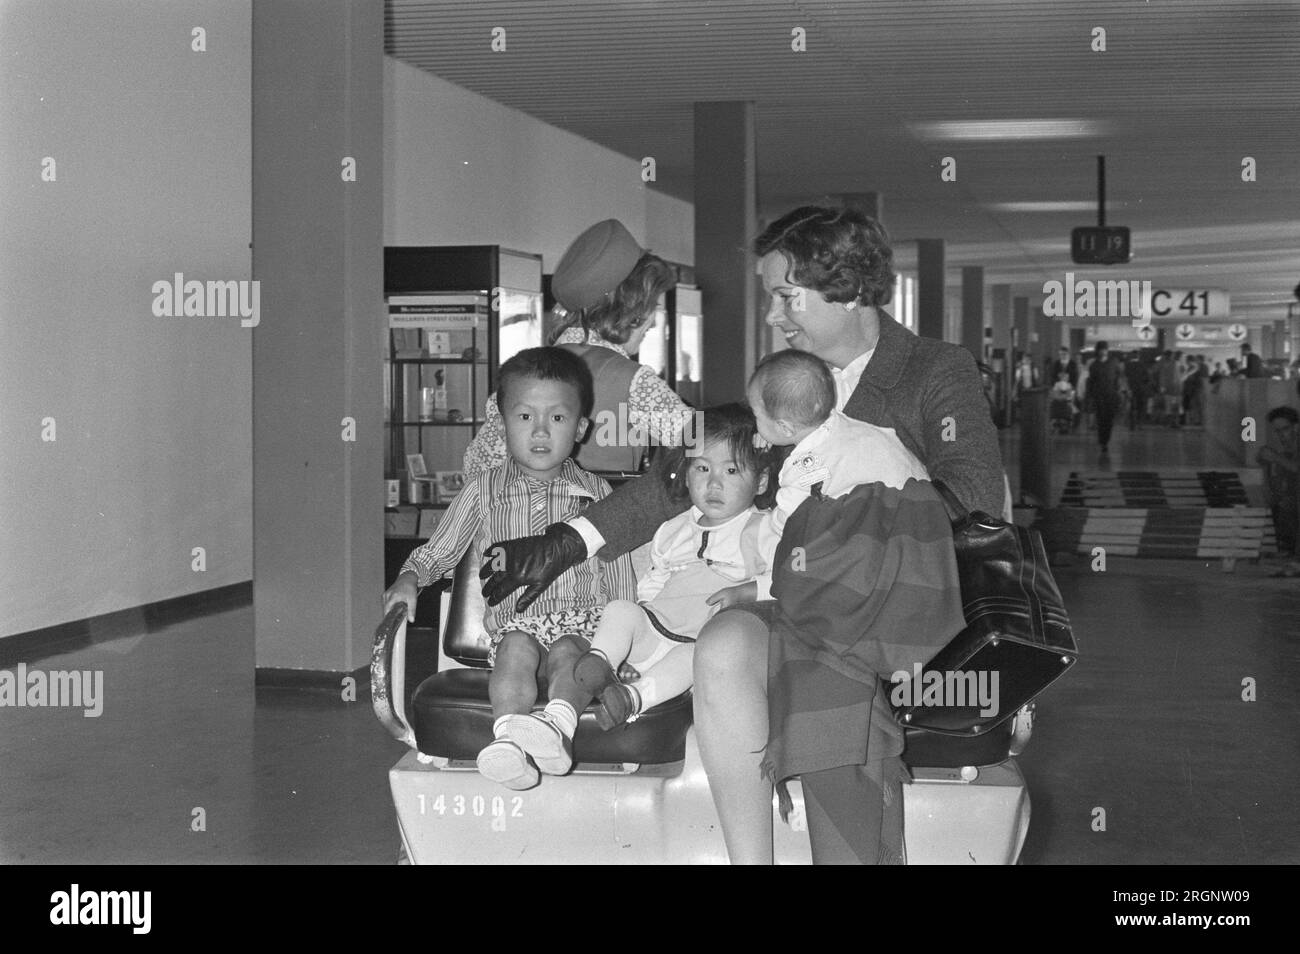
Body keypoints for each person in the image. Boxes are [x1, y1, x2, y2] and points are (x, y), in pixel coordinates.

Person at [479, 205, 1007, 863]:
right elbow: (691, 471)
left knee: (823, 674)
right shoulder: (784, 380)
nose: (772, 316)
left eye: (786, 296)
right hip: (788, 599)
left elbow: (979, 497)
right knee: (723, 643)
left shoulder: (933, 370)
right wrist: (567, 539)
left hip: (883, 610)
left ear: (849, 288)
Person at [382, 347, 637, 790]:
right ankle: (509, 744)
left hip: (580, 627)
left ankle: (556, 729)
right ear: (502, 425)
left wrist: (626, 648)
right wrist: (409, 576)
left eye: (557, 418)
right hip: (514, 625)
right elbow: (440, 551)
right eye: (524, 417)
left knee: (568, 655)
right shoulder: (484, 491)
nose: (540, 430)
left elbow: (619, 580)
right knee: (515, 651)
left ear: (580, 428)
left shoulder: (597, 495)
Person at [573, 404, 776, 728]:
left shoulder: (764, 529)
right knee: (621, 609)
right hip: (656, 630)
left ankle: (631, 698)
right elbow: (656, 578)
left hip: (701, 645)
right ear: (686, 472)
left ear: (762, 481)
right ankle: (601, 663)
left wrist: (746, 591)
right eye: (702, 469)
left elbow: (787, 581)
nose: (714, 484)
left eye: (732, 471)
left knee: (690, 657)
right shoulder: (674, 528)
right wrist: (639, 625)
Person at [463, 219, 695, 479]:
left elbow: (477, 469)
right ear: (631, 307)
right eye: (653, 305)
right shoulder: (635, 381)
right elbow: (704, 445)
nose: (654, 320)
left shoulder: (523, 376)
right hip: (606, 517)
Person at [1258, 407, 1299, 569]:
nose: (1282, 435)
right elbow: (1270, 497)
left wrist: (1275, 458)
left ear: (1295, 427)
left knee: (1288, 504)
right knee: (1280, 503)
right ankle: (1288, 547)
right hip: (1288, 501)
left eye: (1286, 429)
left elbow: (1296, 468)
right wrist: (1265, 468)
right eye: (1278, 431)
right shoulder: (1282, 450)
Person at [1087, 341, 1123, 456]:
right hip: (1099, 396)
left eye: (1104, 349)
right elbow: (1091, 382)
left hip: (1111, 395)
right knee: (1100, 419)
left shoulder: (1113, 362)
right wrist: (1090, 396)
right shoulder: (1094, 365)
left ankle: (1105, 439)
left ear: (1107, 350)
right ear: (1097, 351)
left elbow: (1119, 376)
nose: (1103, 351)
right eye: (1101, 349)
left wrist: (1118, 389)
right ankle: (1103, 442)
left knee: (1109, 419)